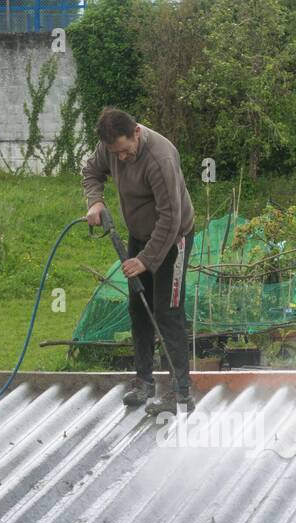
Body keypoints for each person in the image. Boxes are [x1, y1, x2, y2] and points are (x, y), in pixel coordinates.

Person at [82, 107, 197, 412]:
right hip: (139, 235)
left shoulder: (161, 159)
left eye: (125, 150)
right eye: (114, 153)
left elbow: (171, 218)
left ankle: (180, 393)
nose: (121, 158)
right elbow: (91, 171)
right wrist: (95, 201)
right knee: (138, 308)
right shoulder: (109, 147)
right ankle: (144, 382)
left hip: (174, 238)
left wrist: (146, 260)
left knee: (167, 311)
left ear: (136, 132)